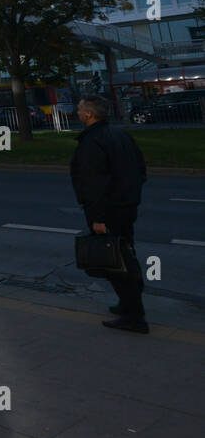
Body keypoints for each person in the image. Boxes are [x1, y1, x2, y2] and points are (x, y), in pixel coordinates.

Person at [70, 95, 149, 334]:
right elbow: (140, 169)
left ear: (89, 115)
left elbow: (94, 184)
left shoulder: (93, 141)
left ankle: (134, 317)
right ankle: (127, 304)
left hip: (108, 212)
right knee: (127, 254)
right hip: (126, 207)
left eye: (80, 109)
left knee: (116, 263)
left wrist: (98, 217)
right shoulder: (120, 134)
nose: (78, 112)